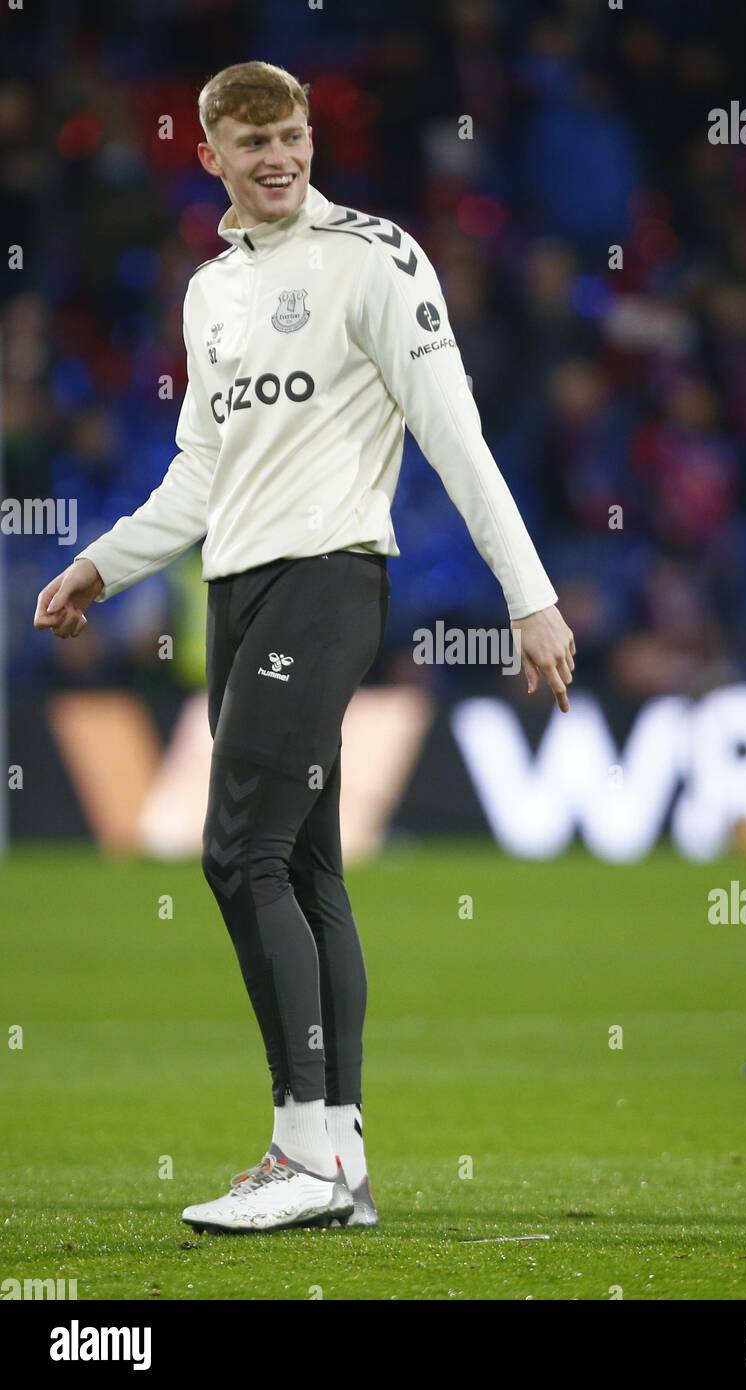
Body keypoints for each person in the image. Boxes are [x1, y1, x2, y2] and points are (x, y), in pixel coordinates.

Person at [33, 60, 575, 1234]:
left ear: (310, 138)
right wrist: (102, 563)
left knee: (239, 855)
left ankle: (299, 1147)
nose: (276, 157)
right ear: (211, 155)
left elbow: (455, 434)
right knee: (308, 869)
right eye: (252, 142)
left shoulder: (375, 258)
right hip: (234, 595)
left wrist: (528, 596)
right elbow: (200, 474)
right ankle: (341, 1163)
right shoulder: (212, 289)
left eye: (291, 136)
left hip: (328, 581)